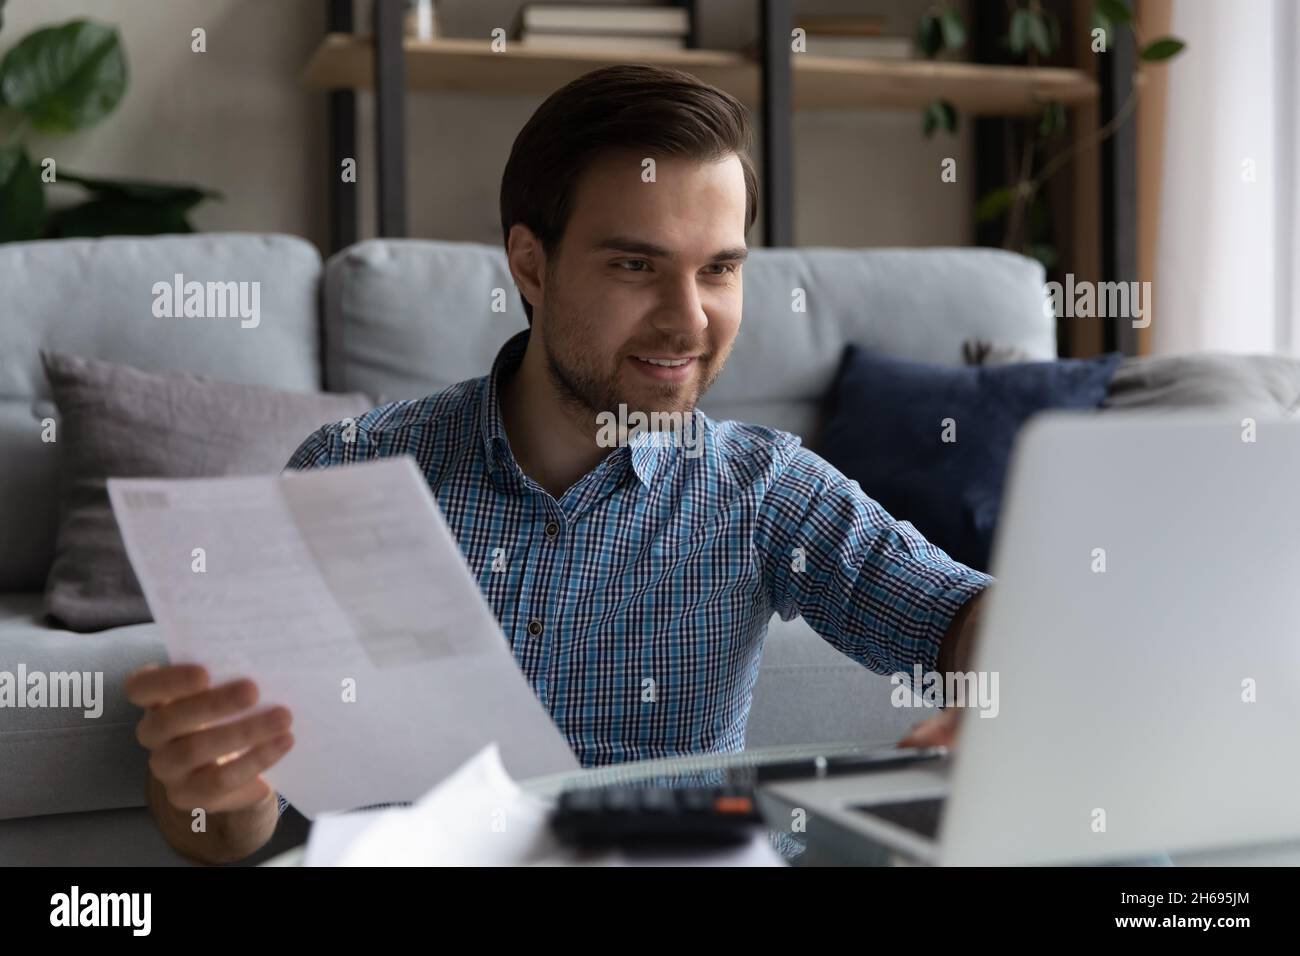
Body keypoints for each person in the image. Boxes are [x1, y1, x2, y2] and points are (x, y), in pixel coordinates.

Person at [125, 64, 989, 864]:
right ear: (531, 264)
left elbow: (959, 616)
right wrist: (214, 793)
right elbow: (232, 826)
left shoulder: (762, 490)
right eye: (635, 265)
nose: (688, 321)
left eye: (718, 269)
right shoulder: (349, 471)